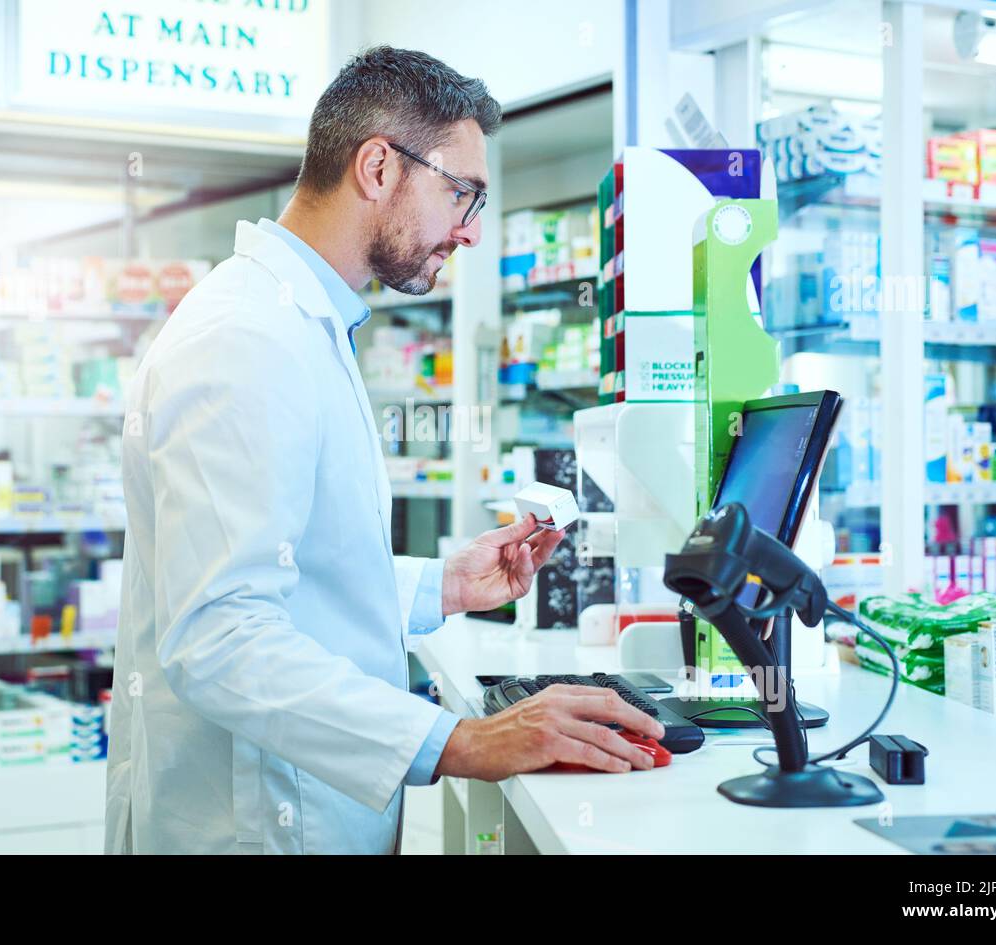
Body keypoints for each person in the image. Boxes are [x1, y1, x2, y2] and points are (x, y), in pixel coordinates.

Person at [105, 45, 663, 855]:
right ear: (376, 166)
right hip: (259, 824)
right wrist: (461, 740)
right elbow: (220, 635)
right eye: (462, 193)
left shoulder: (304, 323)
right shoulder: (245, 338)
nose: (470, 231)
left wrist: (442, 584)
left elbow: (291, 562)